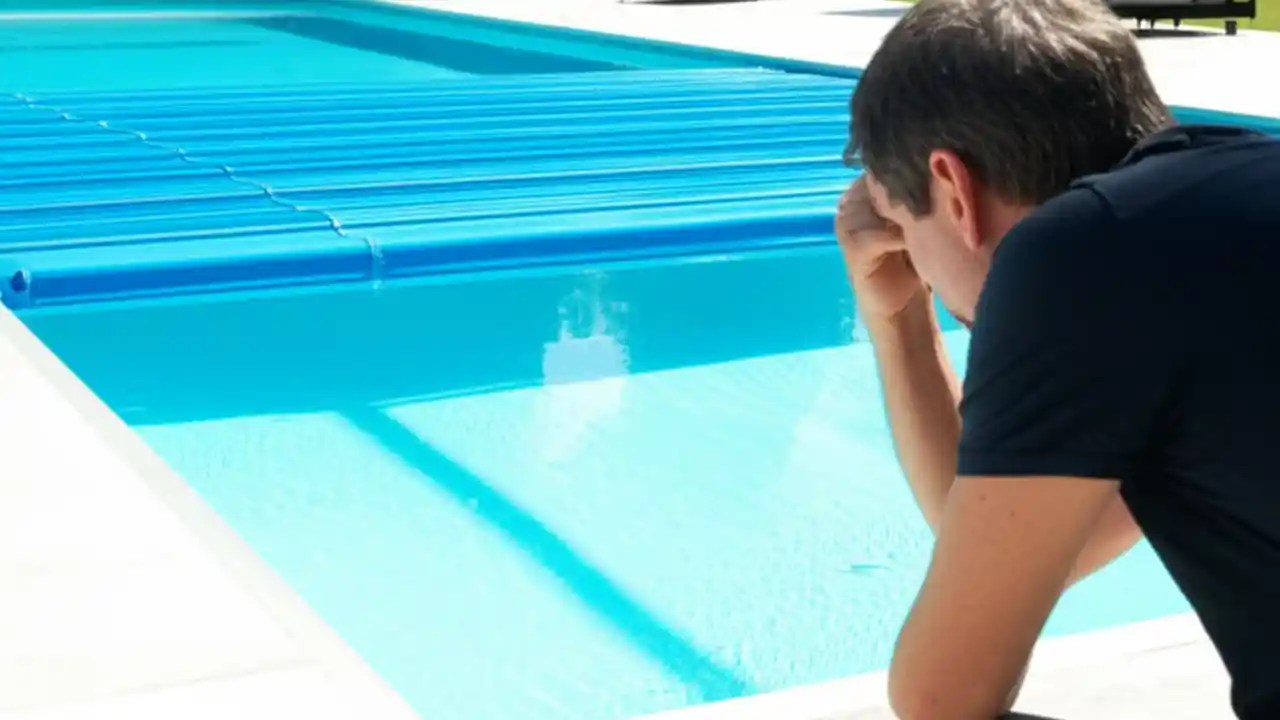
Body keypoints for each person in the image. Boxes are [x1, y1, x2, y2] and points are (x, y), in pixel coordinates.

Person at [835, 0, 1280, 718]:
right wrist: (900, 319)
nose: (912, 265)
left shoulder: (1078, 258)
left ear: (952, 187)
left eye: (901, 229)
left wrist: (903, 316)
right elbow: (1003, 550)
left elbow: (943, 697)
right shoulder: (1227, 211)